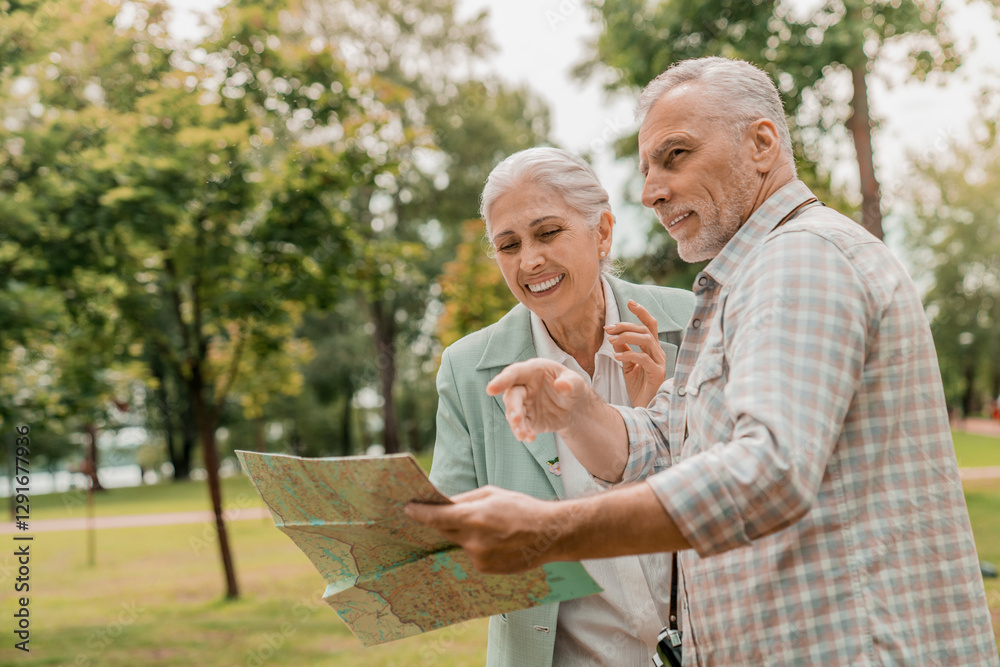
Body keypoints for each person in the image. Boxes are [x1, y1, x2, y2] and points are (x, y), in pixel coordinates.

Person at [409, 58, 1000, 664]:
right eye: (646, 169)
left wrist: (548, 531)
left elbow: (766, 471)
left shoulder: (801, 260)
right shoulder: (742, 283)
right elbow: (668, 443)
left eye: (675, 155)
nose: (651, 190)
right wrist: (582, 406)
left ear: (762, 143)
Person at [428, 146, 695, 666]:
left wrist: (661, 421)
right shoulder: (467, 369)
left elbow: (748, 494)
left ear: (601, 232)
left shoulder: (695, 323)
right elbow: (453, 546)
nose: (529, 261)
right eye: (508, 245)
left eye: (548, 233)